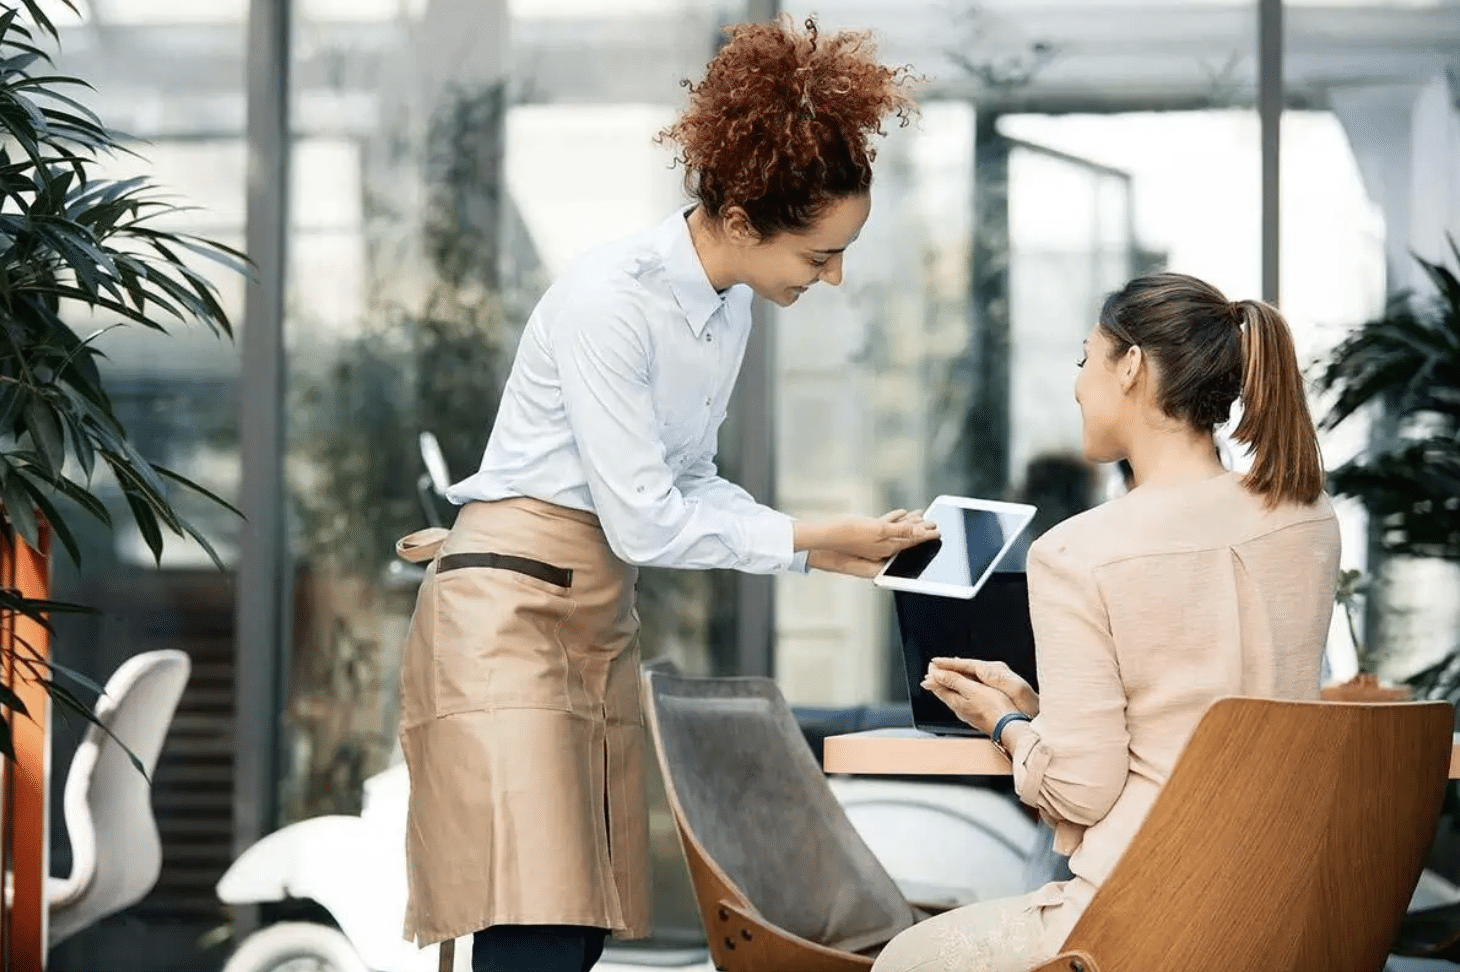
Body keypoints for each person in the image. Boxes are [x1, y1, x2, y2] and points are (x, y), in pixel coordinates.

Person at [394, 16, 932, 972]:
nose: (837, 276)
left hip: (592, 611)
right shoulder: (614, 300)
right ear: (737, 221)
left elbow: (689, 484)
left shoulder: (727, 308)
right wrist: (805, 535)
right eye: (819, 255)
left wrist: (819, 549)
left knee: (581, 916)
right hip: (507, 611)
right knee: (535, 915)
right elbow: (645, 517)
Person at [871, 272, 1341, 972]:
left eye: (1084, 358)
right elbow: (1206, 710)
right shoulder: (1310, 520)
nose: (1077, 384)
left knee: (902, 960)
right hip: (1285, 915)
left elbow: (1082, 790)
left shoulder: (1077, 552)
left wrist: (1007, 726)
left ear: (1130, 367)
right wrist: (1043, 709)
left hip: (1144, 918)